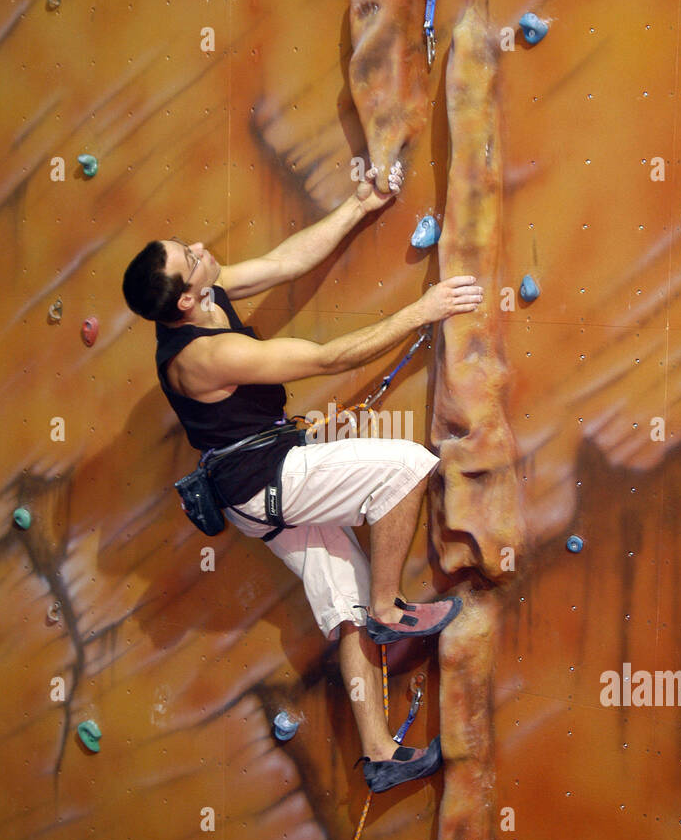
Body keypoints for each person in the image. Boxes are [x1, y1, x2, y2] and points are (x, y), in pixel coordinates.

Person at [121, 165, 484, 791]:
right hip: (265, 478)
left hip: (254, 489)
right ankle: (390, 608)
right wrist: (423, 310)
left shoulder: (205, 296)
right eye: (190, 254)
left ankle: (379, 755)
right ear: (183, 298)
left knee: (343, 610)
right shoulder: (206, 354)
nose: (201, 248)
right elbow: (326, 358)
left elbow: (287, 261)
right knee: (406, 467)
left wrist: (358, 206)